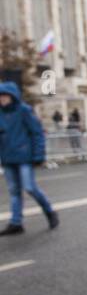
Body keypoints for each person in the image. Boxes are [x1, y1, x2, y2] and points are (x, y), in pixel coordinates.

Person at [0, 81, 59, 235]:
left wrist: (39, 155)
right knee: (14, 191)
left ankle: (50, 212)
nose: (2, 99)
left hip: (24, 156)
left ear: (13, 96)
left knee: (29, 187)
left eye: (5, 96)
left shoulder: (24, 110)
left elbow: (37, 132)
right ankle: (16, 223)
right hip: (7, 158)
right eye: (0, 96)